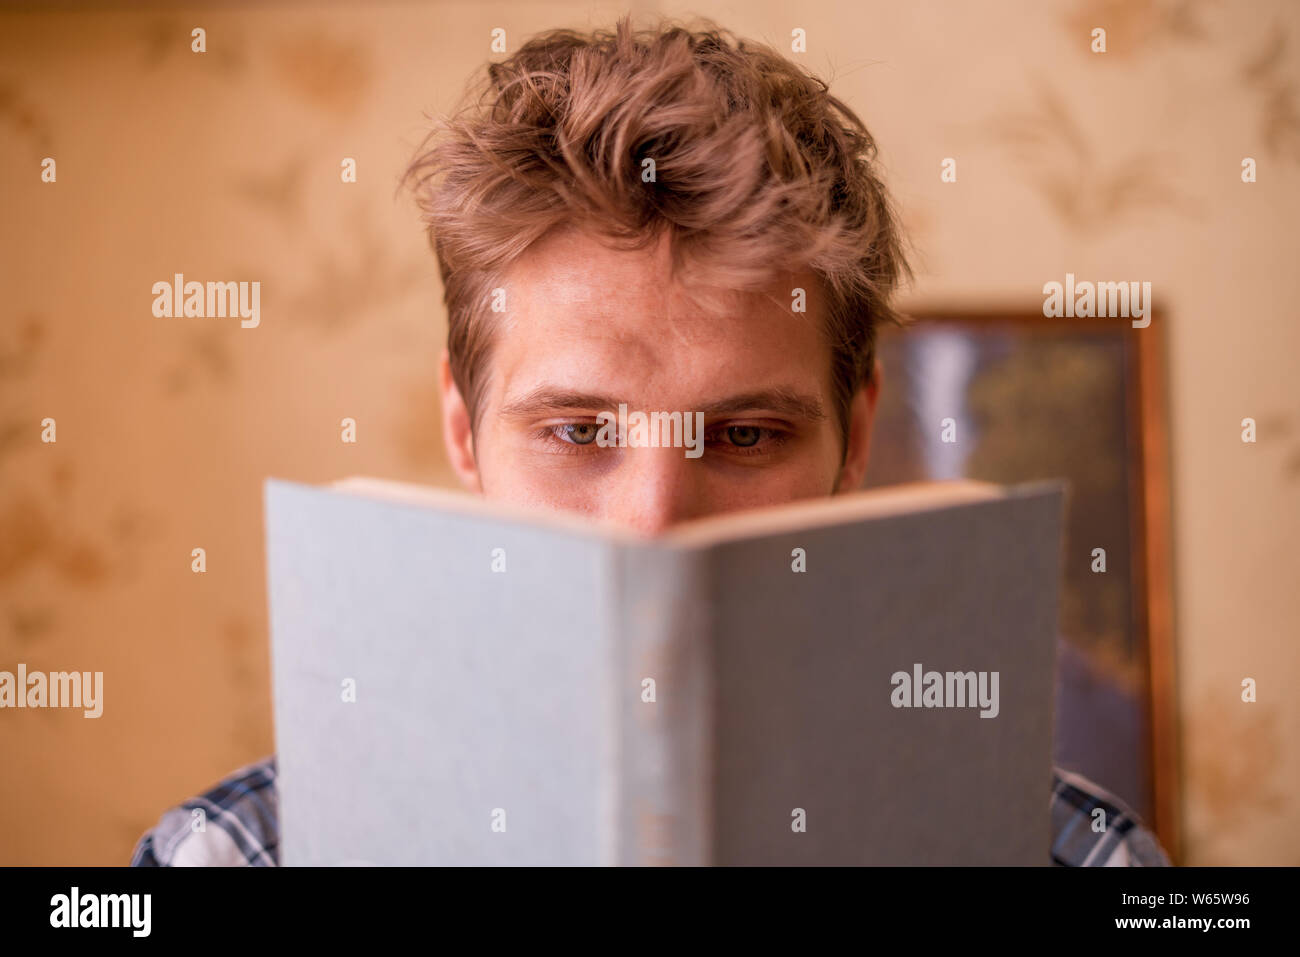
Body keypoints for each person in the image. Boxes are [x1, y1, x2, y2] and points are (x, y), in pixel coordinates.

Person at [132, 17, 1170, 867]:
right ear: (463, 431)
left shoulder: (1081, 859)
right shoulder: (229, 857)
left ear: (853, 439)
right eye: (578, 431)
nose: (652, 521)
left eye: (747, 434)